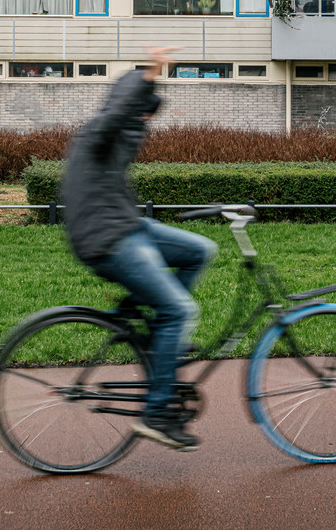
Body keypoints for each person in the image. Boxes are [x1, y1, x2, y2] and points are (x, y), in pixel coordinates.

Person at [60, 46, 218, 450]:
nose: (149, 121)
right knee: (179, 310)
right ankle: (158, 414)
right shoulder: (103, 130)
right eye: (146, 113)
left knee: (200, 251)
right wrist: (148, 74)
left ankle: (150, 327)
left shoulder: (121, 135)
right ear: (132, 107)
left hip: (125, 226)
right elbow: (114, 117)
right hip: (106, 239)